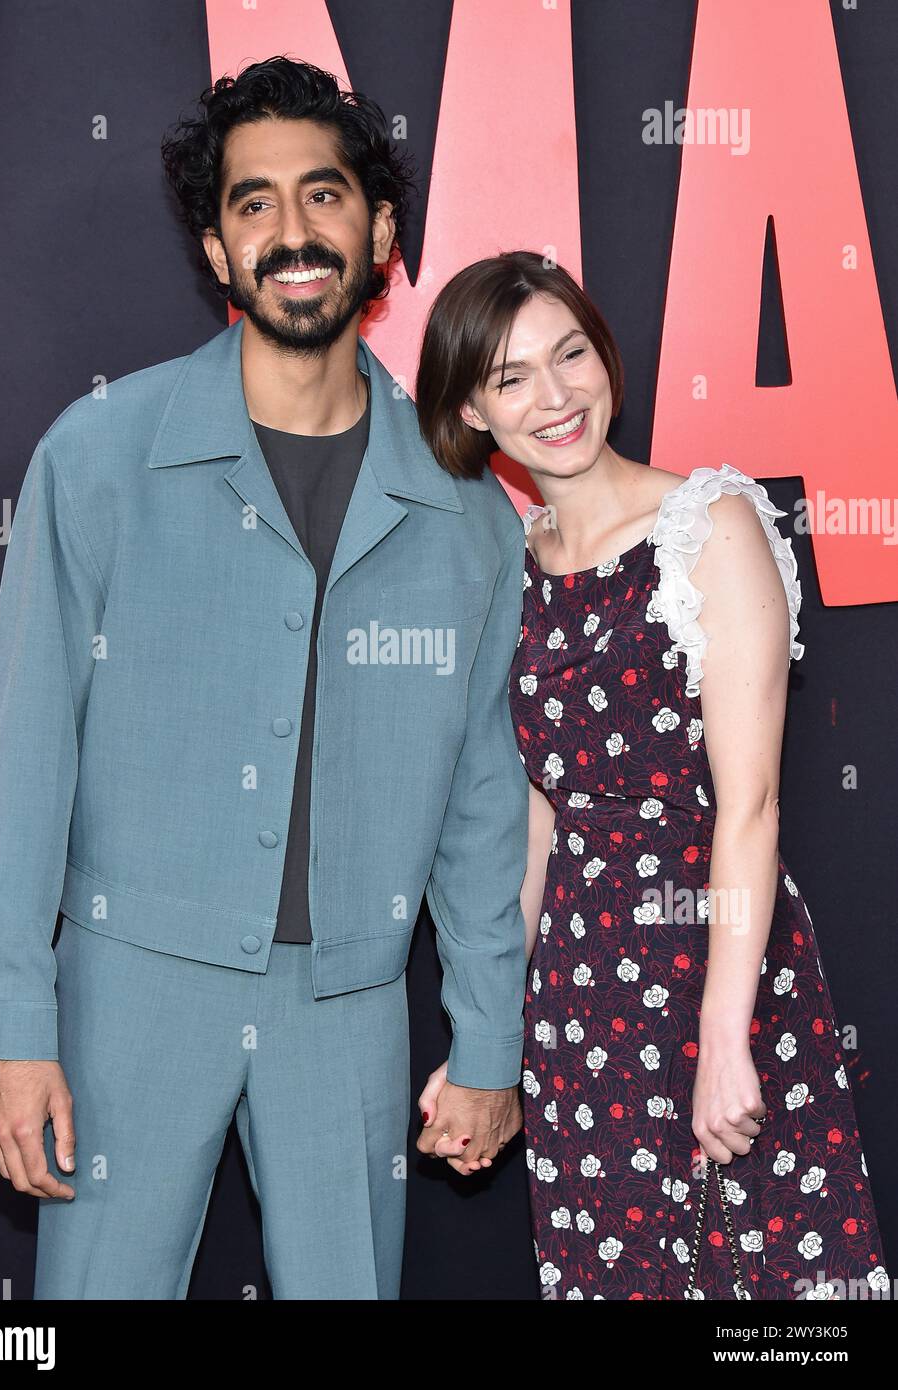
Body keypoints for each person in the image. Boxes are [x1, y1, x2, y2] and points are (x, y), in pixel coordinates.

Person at [0, 57, 528, 1301]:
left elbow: (484, 807)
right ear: (217, 249)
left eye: (323, 197)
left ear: (380, 233)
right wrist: (16, 1029)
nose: (291, 233)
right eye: (252, 204)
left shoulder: (466, 513)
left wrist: (490, 1038)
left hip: (350, 1005)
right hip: (127, 992)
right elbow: (28, 766)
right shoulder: (101, 457)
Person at [414, 250, 889, 1300]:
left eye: (570, 353)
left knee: (764, 1286)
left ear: (605, 357)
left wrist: (724, 1035)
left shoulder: (708, 525)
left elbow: (750, 803)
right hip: (577, 1005)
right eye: (511, 377)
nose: (555, 395)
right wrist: (483, 1040)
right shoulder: (512, 561)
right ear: (470, 414)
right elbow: (537, 816)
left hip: (715, 959)